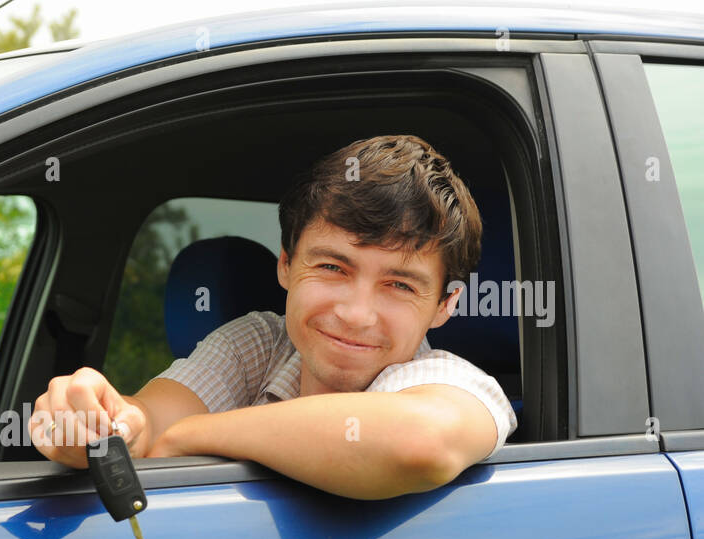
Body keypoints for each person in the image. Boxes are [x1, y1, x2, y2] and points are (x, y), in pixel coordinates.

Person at [27, 134, 518, 500]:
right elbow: (148, 422)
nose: (354, 313)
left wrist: (188, 436)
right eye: (331, 267)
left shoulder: (457, 383)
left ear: (445, 305)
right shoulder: (263, 340)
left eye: (399, 285)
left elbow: (417, 442)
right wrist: (99, 423)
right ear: (286, 265)